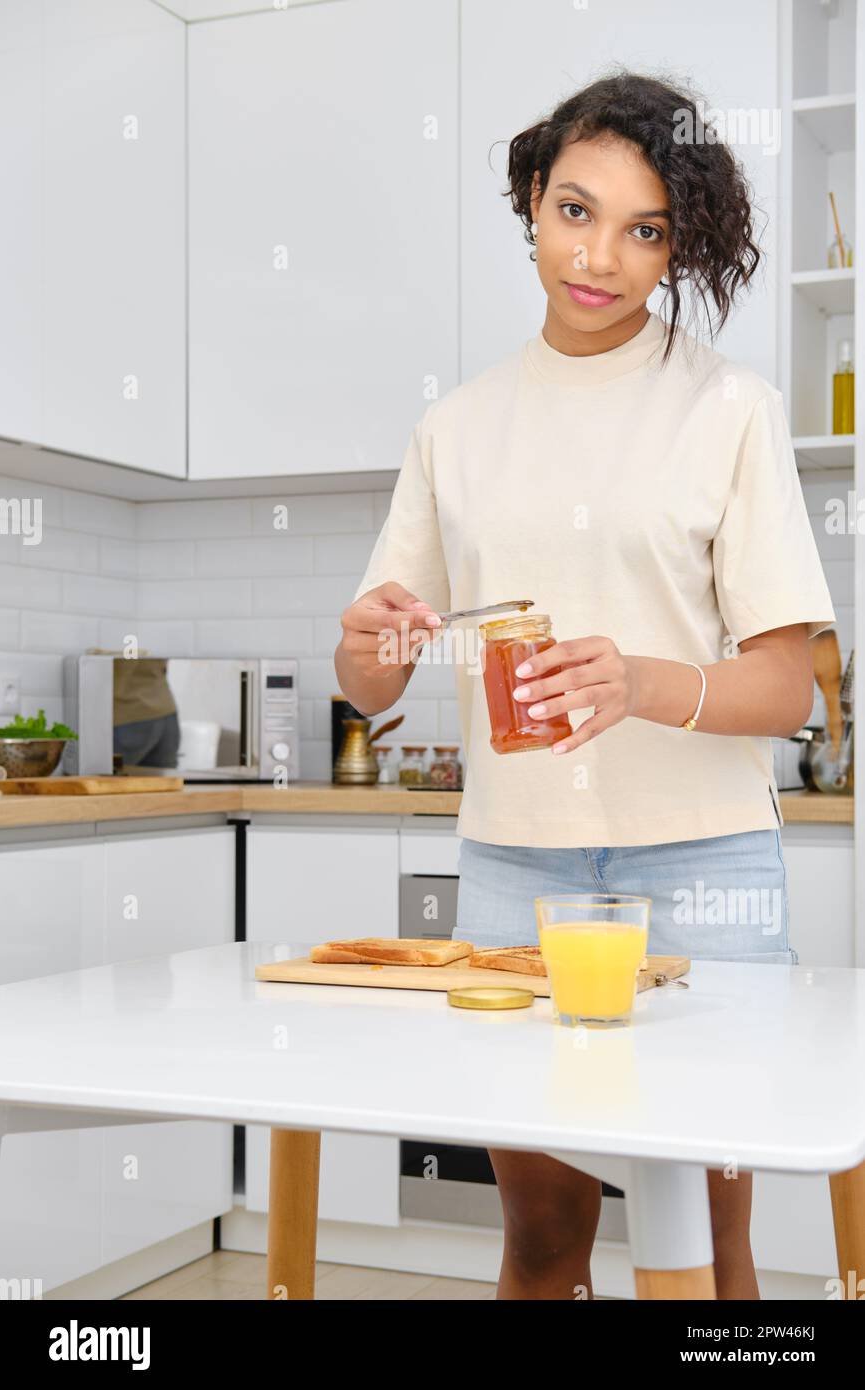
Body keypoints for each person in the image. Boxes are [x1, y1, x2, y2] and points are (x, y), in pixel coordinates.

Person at [334, 71, 836, 1300]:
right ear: (529, 202)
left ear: (680, 245)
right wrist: (374, 648)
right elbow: (371, 679)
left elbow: (792, 690)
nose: (599, 255)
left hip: (702, 865)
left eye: (644, 228)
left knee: (707, 1255)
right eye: (573, 210)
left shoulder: (727, 410)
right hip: (519, 867)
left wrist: (642, 682)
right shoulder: (454, 428)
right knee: (543, 1239)